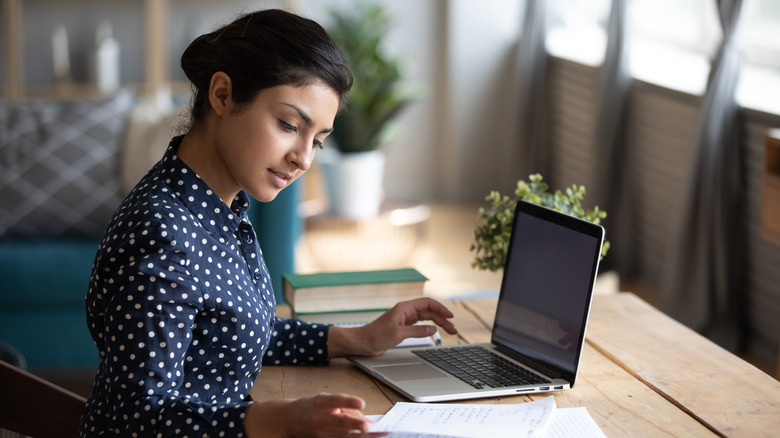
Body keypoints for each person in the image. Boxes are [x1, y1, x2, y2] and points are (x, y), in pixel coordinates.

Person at [78, 9, 457, 438]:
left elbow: (231, 335)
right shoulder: (162, 235)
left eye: (317, 141)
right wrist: (274, 420)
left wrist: (359, 339)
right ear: (222, 95)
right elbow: (135, 420)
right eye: (289, 125)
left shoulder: (219, 209)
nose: (304, 158)